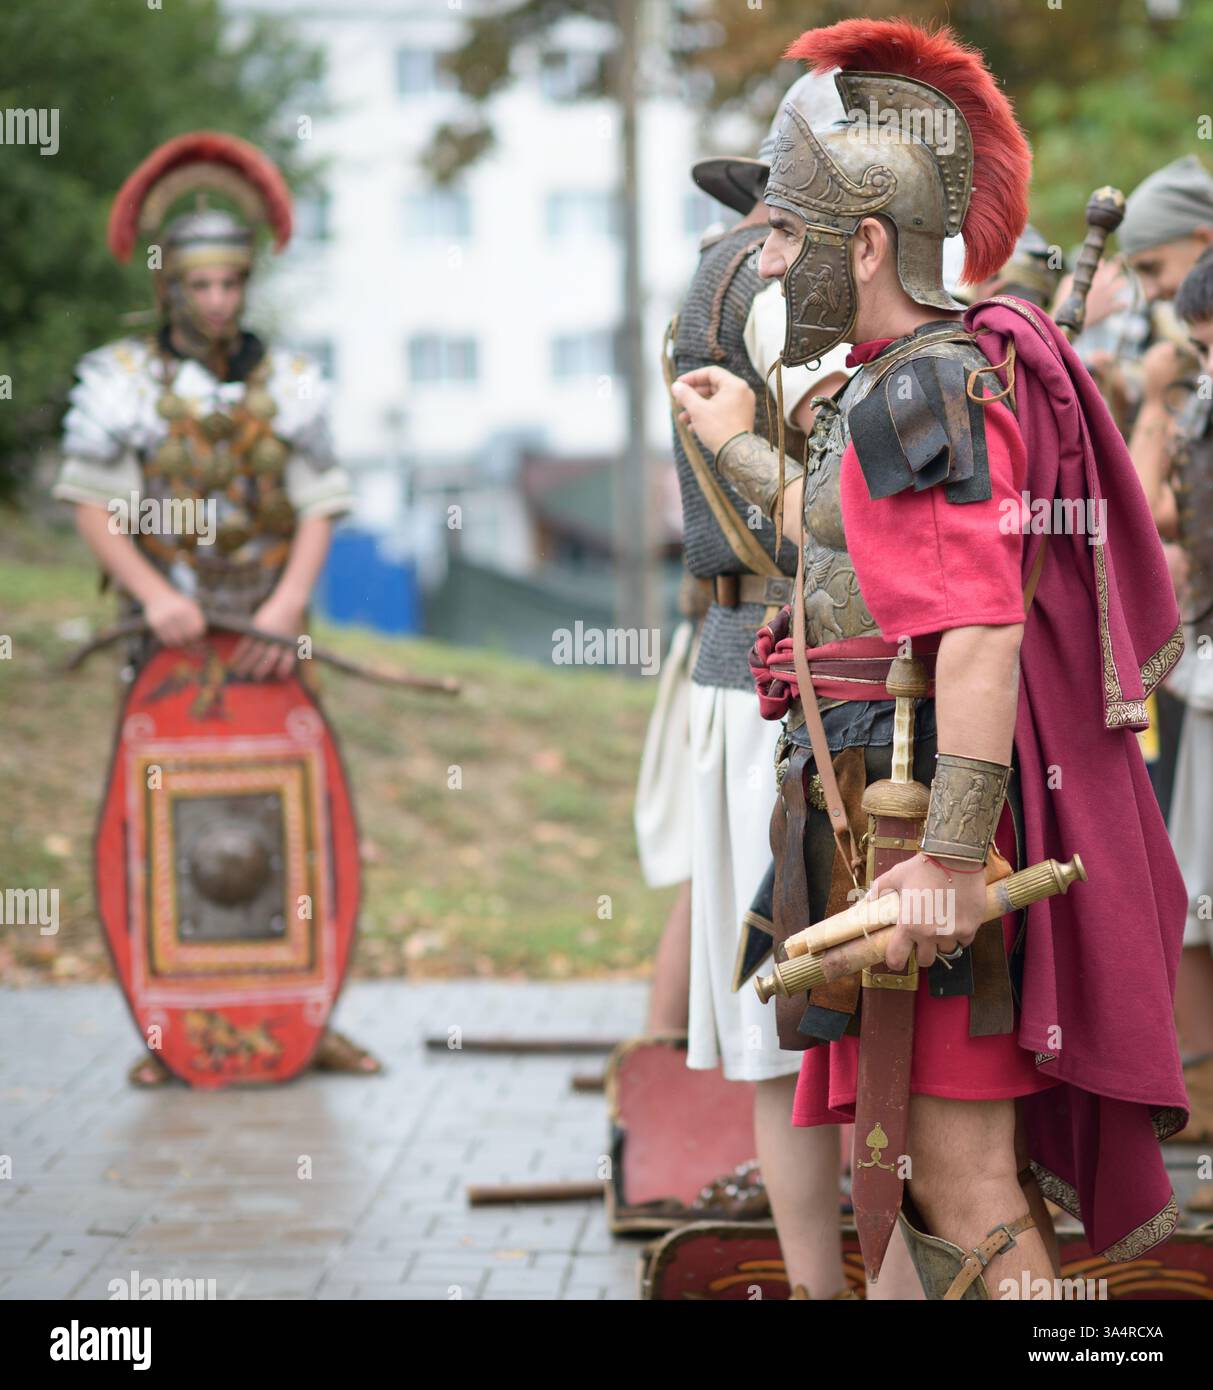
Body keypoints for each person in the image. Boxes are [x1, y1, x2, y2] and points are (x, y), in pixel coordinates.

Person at [672, 17, 1187, 1299]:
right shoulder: (890, 383)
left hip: (913, 830)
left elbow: (978, 626)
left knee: (958, 1183)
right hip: (858, 816)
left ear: (863, 243)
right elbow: (839, 554)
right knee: (895, 1169)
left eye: (789, 235)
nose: (768, 260)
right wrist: (740, 443)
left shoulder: (922, 392)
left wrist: (949, 856)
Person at [53, 132, 380, 1085]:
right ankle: (175, 1036)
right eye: (200, 287)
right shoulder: (124, 383)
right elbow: (90, 503)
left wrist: (284, 607)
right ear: (171, 288)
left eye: (231, 284)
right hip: (171, 640)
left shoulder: (289, 383)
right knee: (167, 835)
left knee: (297, 825)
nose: (217, 302)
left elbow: (319, 503)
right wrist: (155, 597)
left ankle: (302, 1019)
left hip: (268, 636)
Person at [659, 72, 872, 1298]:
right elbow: (822, 529)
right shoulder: (762, 288)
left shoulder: (744, 276)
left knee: (808, 1014)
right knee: (793, 1016)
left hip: (776, 669)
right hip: (780, 680)